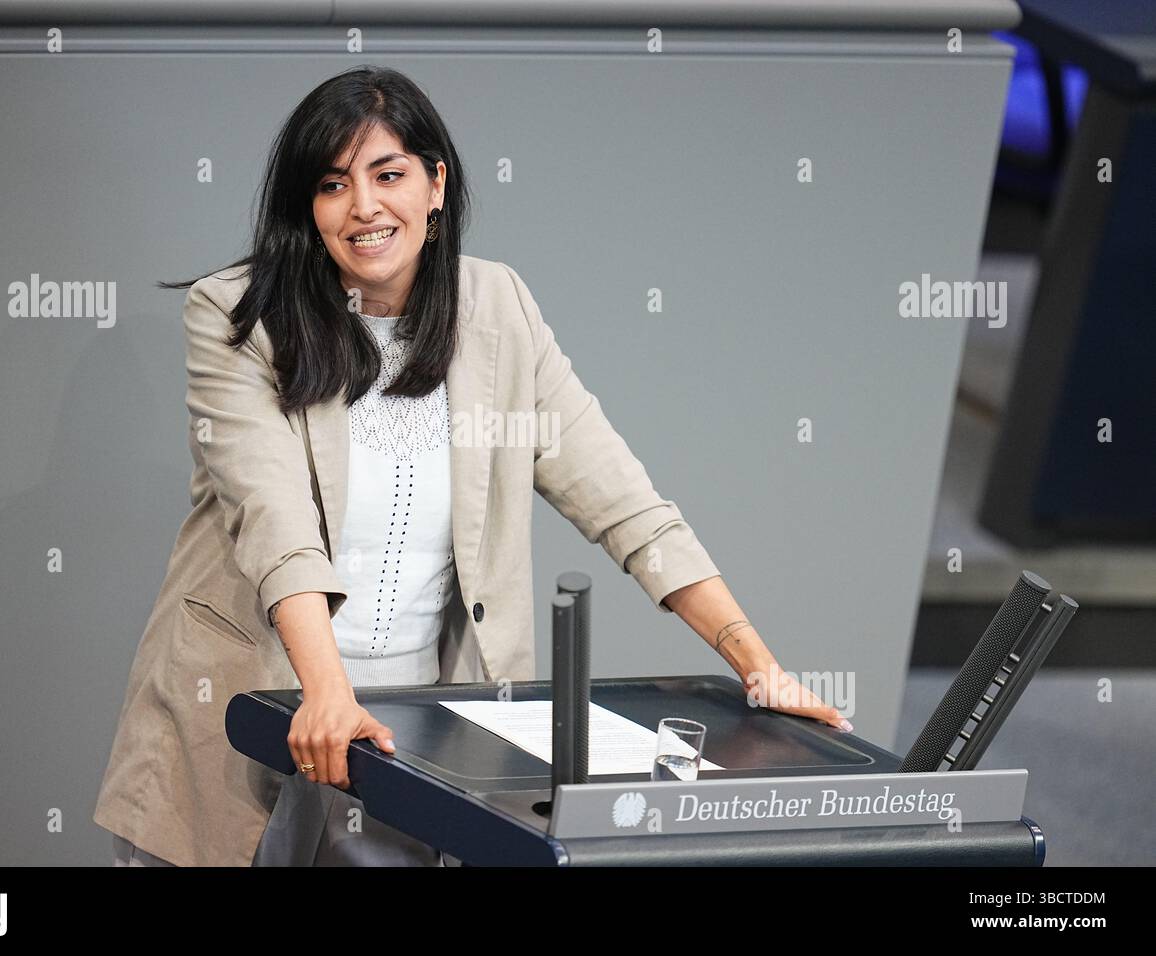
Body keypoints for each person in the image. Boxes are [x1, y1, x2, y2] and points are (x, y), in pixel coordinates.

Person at [93, 65, 850, 868]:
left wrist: (758, 668)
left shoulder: (499, 311)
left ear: (435, 185)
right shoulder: (234, 314)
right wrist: (327, 692)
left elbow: (628, 507)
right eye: (332, 184)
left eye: (389, 175)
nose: (364, 208)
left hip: (413, 738)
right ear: (307, 207)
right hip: (252, 706)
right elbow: (274, 524)